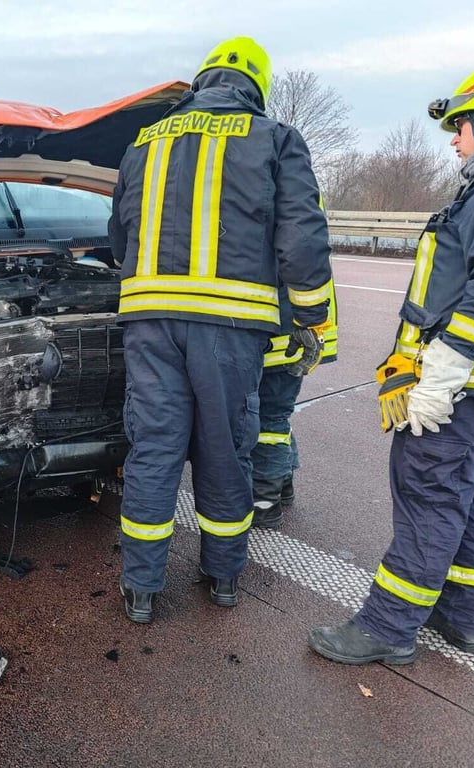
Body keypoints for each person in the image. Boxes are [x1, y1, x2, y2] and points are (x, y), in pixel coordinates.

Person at [109, 37, 333, 623]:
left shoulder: (143, 142)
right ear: (257, 87)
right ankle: (224, 577)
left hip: (150, 322)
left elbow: (119, 234)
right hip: (230, 328)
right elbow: (302, 236)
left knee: (153, 449)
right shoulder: (276, 139)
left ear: (201, 80)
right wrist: (311, 315)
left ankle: (140, 590)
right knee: (225, 450)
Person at [309, 56, 474, 665]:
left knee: (429, 490)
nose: (454, 137)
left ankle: (388, 628)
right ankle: (463, 616)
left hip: (469, 379)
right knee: (460, 489)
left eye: (463, 124)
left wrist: (443, 374)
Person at [252, 275, 339, 529]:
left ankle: (264, 502)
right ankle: (282, 481)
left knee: (268, 421)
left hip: (284, 336)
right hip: (298, 331)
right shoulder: (303, 240)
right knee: (275, 415)